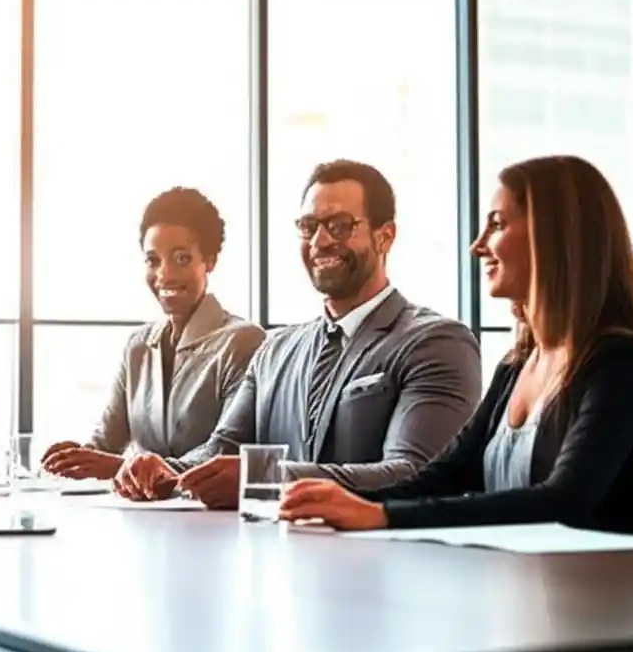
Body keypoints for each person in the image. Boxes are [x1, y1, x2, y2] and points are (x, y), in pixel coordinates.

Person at [278, 155, 633, 535]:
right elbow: (446, 475)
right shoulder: (519, 364)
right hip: (528, 586)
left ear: (554, 236)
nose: (477, 246)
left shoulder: (620, 364)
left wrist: (381, 517)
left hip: (608, 592)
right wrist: (346, 503)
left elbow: (564, 502)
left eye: (496, 225)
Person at [115, 159, 482, 508]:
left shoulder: (437, 343)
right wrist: (162, 470)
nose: (320, 241)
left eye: (339, 225)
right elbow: (223, 448)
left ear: (385, 237)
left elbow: (414, 474)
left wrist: (269, 478)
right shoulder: (275, 349)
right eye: (308, 227)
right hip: (278, 560)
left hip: (381, 564)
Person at [42, 187, 264, 479]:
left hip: (210, 516)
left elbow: (224, 450)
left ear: (209, 261)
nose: (165, 274)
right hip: (143, 514)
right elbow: (106, 442)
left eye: (181, 258)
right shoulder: (138, 347)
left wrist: (124, 467)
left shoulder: (243, 341)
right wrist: (75, 458)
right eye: (153, 260)